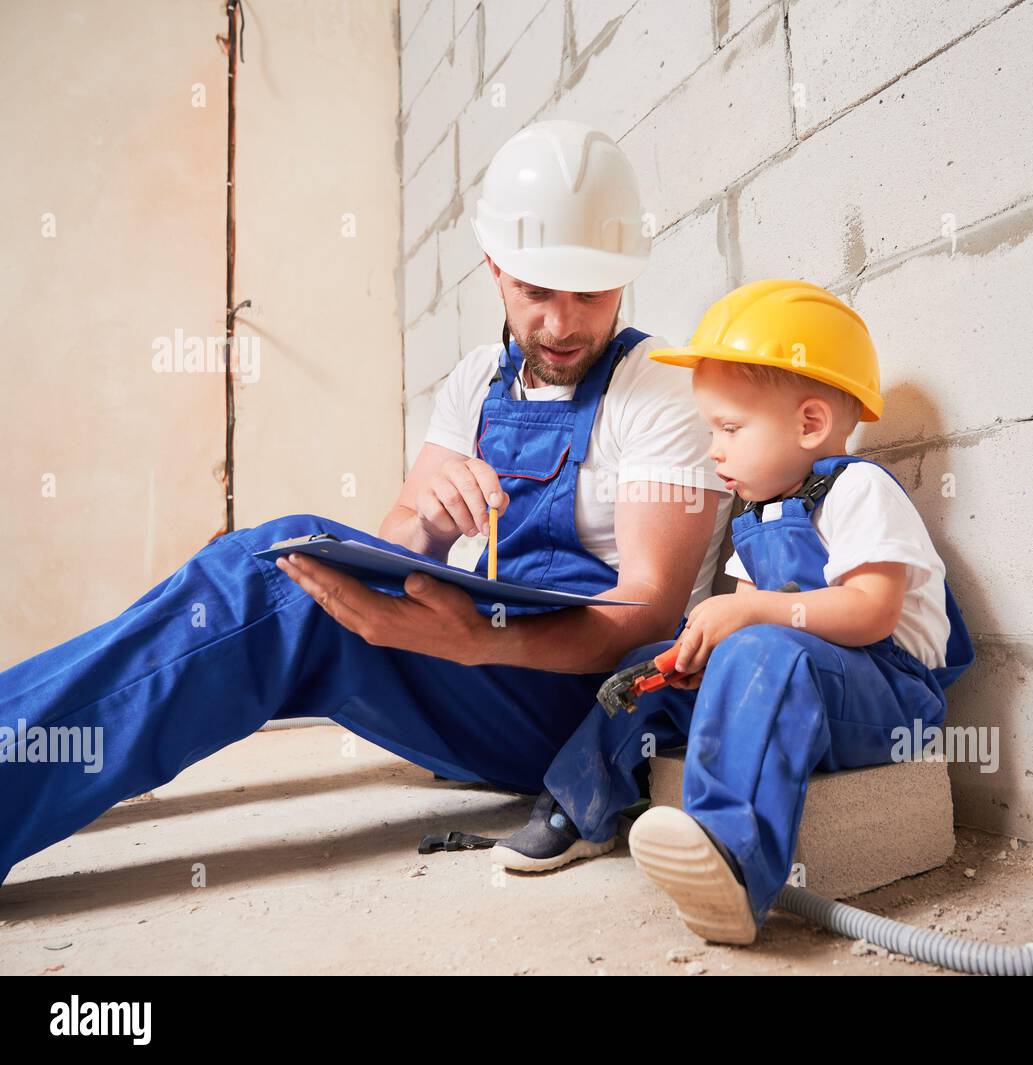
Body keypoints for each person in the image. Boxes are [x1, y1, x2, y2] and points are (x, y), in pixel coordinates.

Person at [0, 120, 731, 885]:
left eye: (589, 292)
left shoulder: (658, 390)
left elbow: (645, 614)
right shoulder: (476, 383)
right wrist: (425, 523)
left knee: (272, 580)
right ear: (494, 269)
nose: (560, 322)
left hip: (584, 711)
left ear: (624, 275)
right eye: (535, 290)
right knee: (291, 573)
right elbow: (395, 542)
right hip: (483, 672)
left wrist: (482, 642)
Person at [491, 279, 975, 945]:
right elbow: (752, 619)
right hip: (791, 676)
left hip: (886, 697)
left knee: (760, 650)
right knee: (651, 665)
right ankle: (577, 809)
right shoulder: (760, 514)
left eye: (728, 428)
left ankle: (732, 860)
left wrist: (745, 624)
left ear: (809, 423)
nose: (713, 447)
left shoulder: (858, 491)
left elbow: (870, 613)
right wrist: (703, 655)